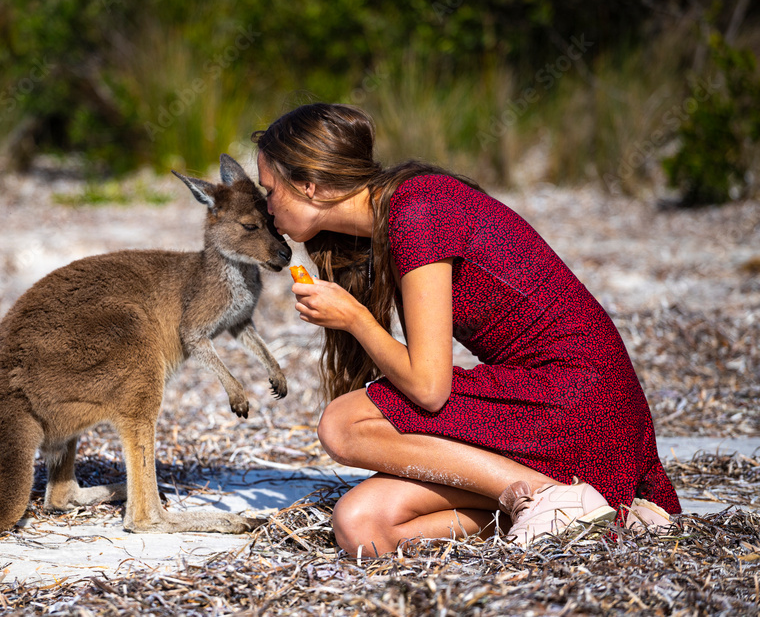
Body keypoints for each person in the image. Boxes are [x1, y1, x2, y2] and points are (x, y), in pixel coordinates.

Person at [252, 103, 680, 554]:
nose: (266, 207)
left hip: (577, 398)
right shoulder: (387, 222)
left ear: (308, 185)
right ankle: (597, 508)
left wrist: (355, 317)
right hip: (556, 413)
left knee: (343, 423)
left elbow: (428, 386)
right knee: (362, 526)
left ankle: (546, 496)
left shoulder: (416, 212)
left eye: (270, 191)